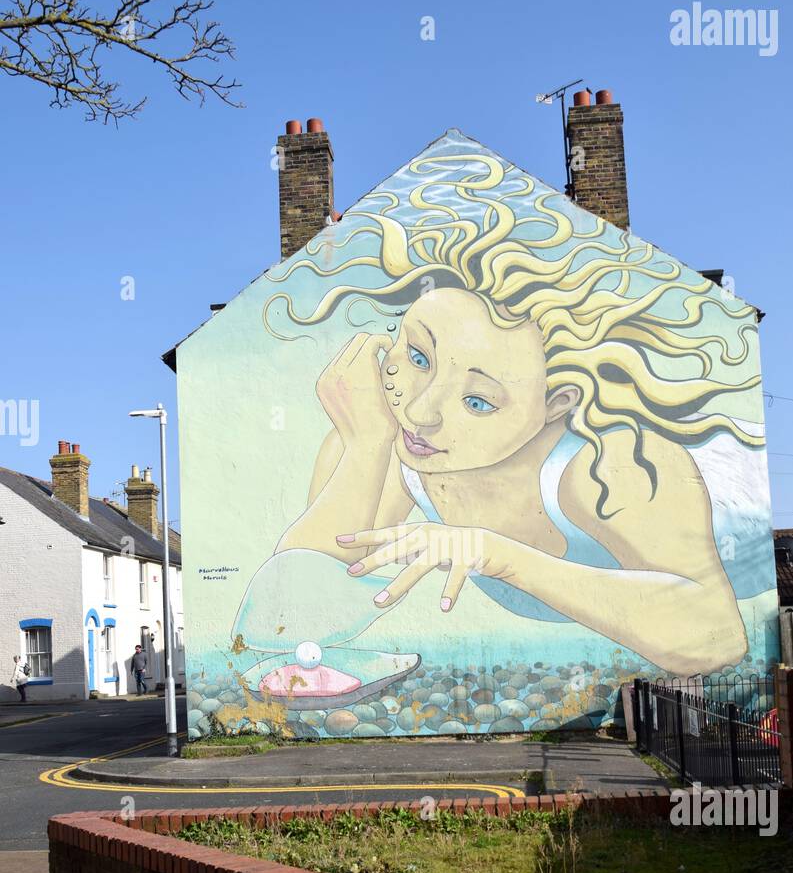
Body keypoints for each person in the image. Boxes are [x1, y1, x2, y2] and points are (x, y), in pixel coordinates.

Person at [263, 151, 765, 676]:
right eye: (418, 356)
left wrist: (494, 554)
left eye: (477, 400)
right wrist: (366, 445)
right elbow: (295, 614)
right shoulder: (387, 433)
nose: (419, 410)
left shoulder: (616, 463)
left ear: (556, 405)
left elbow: (716, 639)